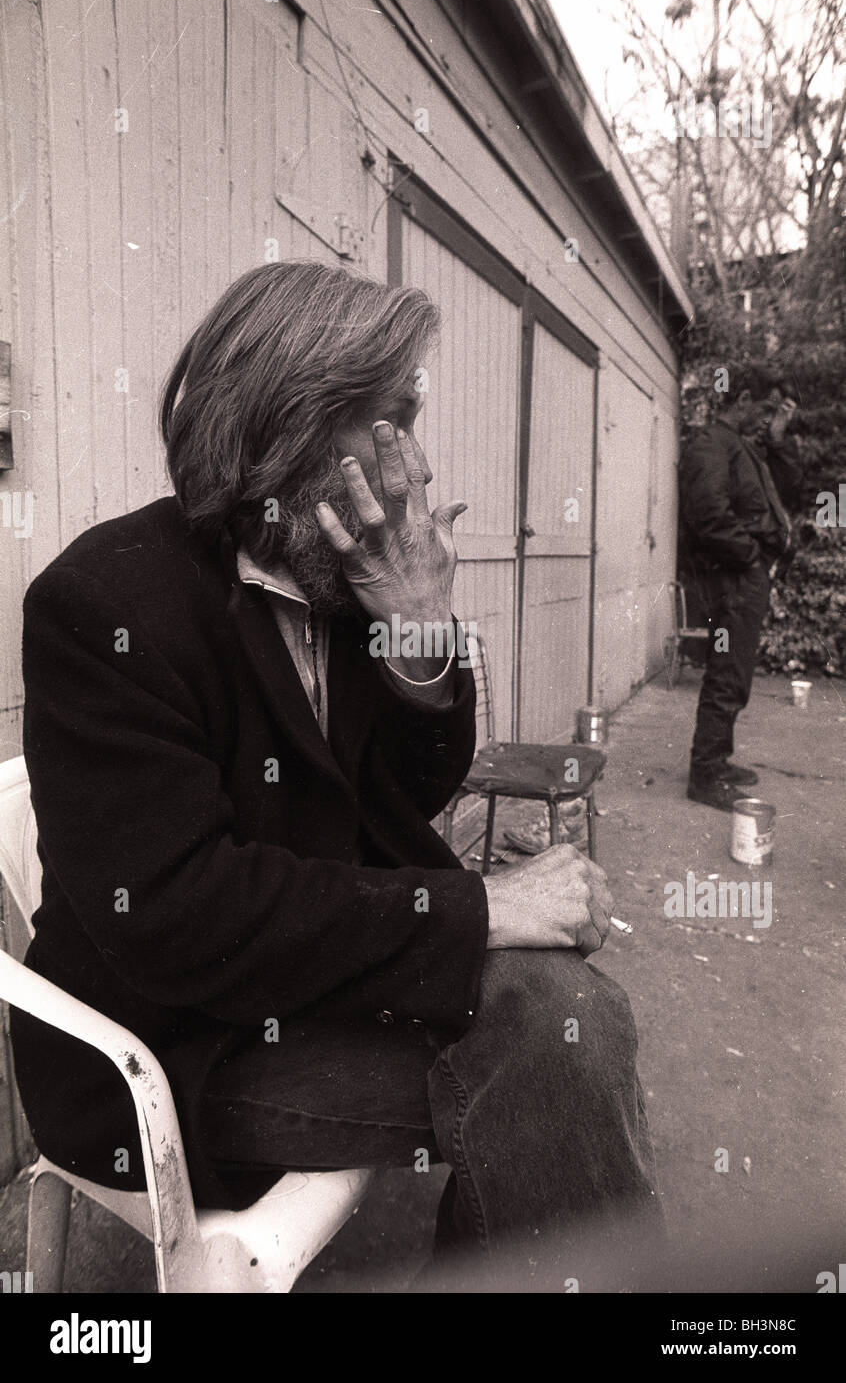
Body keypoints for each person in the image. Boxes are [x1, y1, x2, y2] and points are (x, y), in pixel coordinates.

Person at [11, 262, 660, 1283]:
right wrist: (477, 909)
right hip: (178, 1044)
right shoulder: (104, 607)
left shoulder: (338, 580)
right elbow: (181, 912)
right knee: (555, 1046)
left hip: (317, 978)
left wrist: (418, 638)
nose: (417, 470)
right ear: (293, 422)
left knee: (560, 1012)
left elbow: (412, 789)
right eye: (393, 421)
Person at [678, 380, 801, 811]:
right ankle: (706, 774)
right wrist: (750, 559)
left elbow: (790, 490)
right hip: (731, 580)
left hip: (743, 579)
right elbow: (709, 514)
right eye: (767, 406)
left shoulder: (741, 447)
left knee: (735, 674)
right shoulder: (711, 444)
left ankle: (717, 760)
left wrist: (781, 436)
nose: (769, 415)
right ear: (744, 400)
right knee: (727, 676)